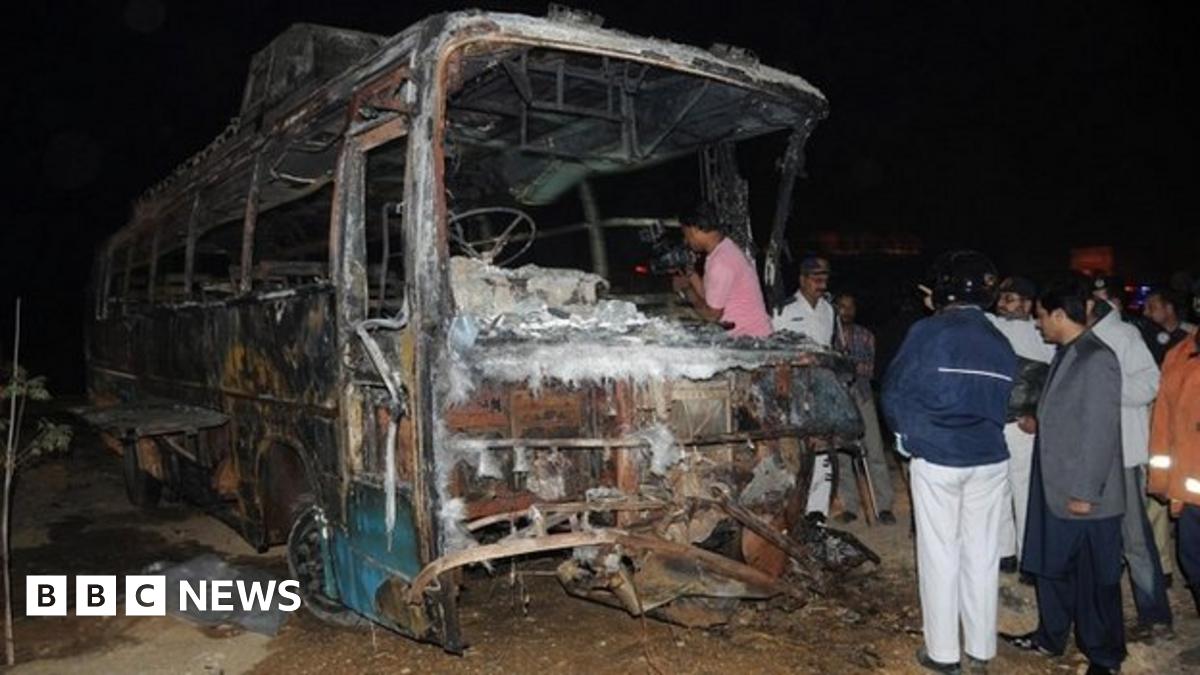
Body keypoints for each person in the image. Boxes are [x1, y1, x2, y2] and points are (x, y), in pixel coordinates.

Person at [882, 251, 1016, 673]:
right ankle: (980, 650)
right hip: (990, 459)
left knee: (940, 554)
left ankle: (942, 654)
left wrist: (909, 439)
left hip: (940, 458)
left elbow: (895, 391)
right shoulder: (999, 339)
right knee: (981, 554)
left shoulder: (929, 331)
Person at [1003, 275, 1126, 675]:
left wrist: (1086, 491)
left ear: (1059, 314)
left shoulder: (1097, 357)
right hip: (1056, 485)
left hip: (1085, 494)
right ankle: (1050, 636)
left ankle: (1105, 657)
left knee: (1095, 580)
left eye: (1041, 317)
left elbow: (1101, 430)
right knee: (1050, 566)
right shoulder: (1067, 353)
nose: (1038, 324)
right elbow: (1072, 412)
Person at [1091, 281, 1173, 640]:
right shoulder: (1083, 337)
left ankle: (1156, 616)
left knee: (1136, 538)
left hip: (1122, 451)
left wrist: (1107, 393)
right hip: (1092, 452)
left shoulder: (1125, 335)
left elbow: (1150, 383)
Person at [988, 276, 1055, 573]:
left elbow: (1056, 383)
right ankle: (1005, 553)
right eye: (1001, 298)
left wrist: (1040, 417)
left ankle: (1030, 556)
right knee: (998, 489)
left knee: (1025, 492)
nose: (1003, 304)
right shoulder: (994, 326)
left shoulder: (1042, 334)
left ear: (1027, 304)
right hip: (994, 423)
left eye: (1010, 298)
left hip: (1023, 425)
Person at [1147, 317, 1200, 669]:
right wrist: (1164, 483)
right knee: (1193, 565)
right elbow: (1163, 424)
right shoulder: (1179, 355)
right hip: (1193, 493)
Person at [773, 256, 838, 519]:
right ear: (802, 279)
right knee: (794, 454)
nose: (821, 284)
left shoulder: (828, 310)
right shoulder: (784, 311)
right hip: (794, 391)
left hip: (821, 390)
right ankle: (793, 513)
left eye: (825, 278)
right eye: (815, 278)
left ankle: (817, 516)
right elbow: (775, 352)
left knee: (822, 453)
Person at [1141, 287, 1191, 586]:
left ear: (1170, 308)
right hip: (1159, 418)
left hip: (1185, 426)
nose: (1147, 313)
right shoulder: (1146, 338)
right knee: (1158, 489)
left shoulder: (1188, 340)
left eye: (1153, 306)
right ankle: (1163, 565)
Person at [833, 292, 896, 525]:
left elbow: (868, 370)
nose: (845, 311)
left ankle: (884, 506)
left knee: (874, 451)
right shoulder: (829, 336)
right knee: (843, 454)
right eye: (841, 306)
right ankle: (849, 505)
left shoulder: (865, 335)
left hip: (862, 396)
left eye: (850, 307)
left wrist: (845, 362)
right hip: (838, 398)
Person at [672, 206, 772, 338]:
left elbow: (712, 315)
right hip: (751, 336)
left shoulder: (721, 262)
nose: (686, 240)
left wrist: (687, 290)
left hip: (751, 341)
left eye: (686, 234)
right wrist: (690, 274)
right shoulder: (723, 249)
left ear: (694, 230)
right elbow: (711, 297)